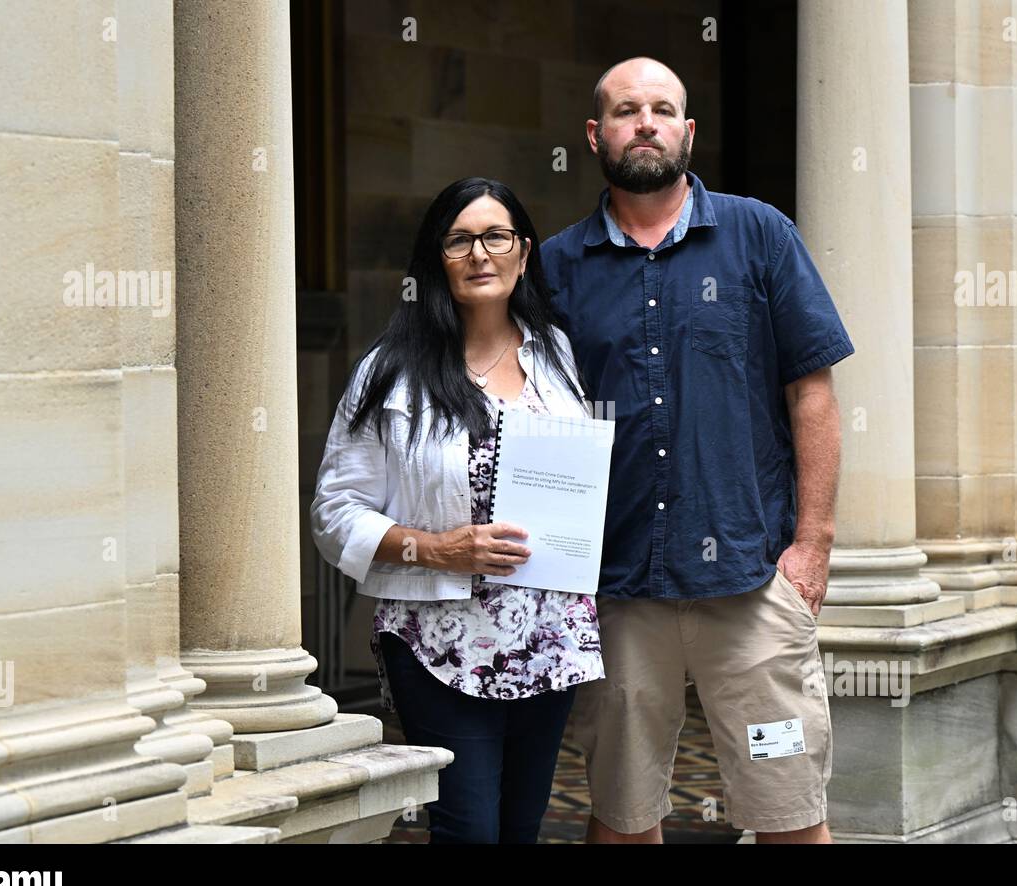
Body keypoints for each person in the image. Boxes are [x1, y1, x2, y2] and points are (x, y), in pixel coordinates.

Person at [540, 56, 855, 844]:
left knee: (788, 815)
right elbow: (536, 419)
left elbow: (811, 395)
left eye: (659, 109)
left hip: (750, 588)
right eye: (623, 110)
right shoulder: (554, 268)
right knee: (621, 816)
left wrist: (812, 546)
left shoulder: (759, 235)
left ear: (686, 130)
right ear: (594, 134)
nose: (642, 122)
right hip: (617, 595)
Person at [311, 177, 602, 844]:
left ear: (523, 253)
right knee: (469, 832)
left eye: (496, 236)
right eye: (459, 240)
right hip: (437, 642)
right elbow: (335, 510)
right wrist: (436, 549)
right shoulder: (391, 371)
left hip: (549, 640)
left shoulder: (557, 356)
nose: (480, 254)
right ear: (435, 260)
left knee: (521, 829)